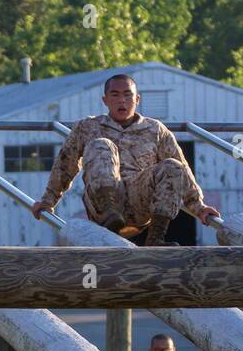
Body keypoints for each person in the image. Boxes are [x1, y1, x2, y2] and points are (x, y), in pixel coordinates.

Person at [31, 73, 220, 245]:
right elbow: (65, 165)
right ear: (105, 100)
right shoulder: (87, 127)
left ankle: (156, 237)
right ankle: (109, 212)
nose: (122, 100)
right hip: (101, 205)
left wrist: (200, 208)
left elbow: (181, 170)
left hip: (139, 202)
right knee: (101, 144)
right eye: (115, 95)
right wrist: (48, 201)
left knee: (172, 165)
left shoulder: (155, 130)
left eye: (128, 95)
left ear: (137, 99)